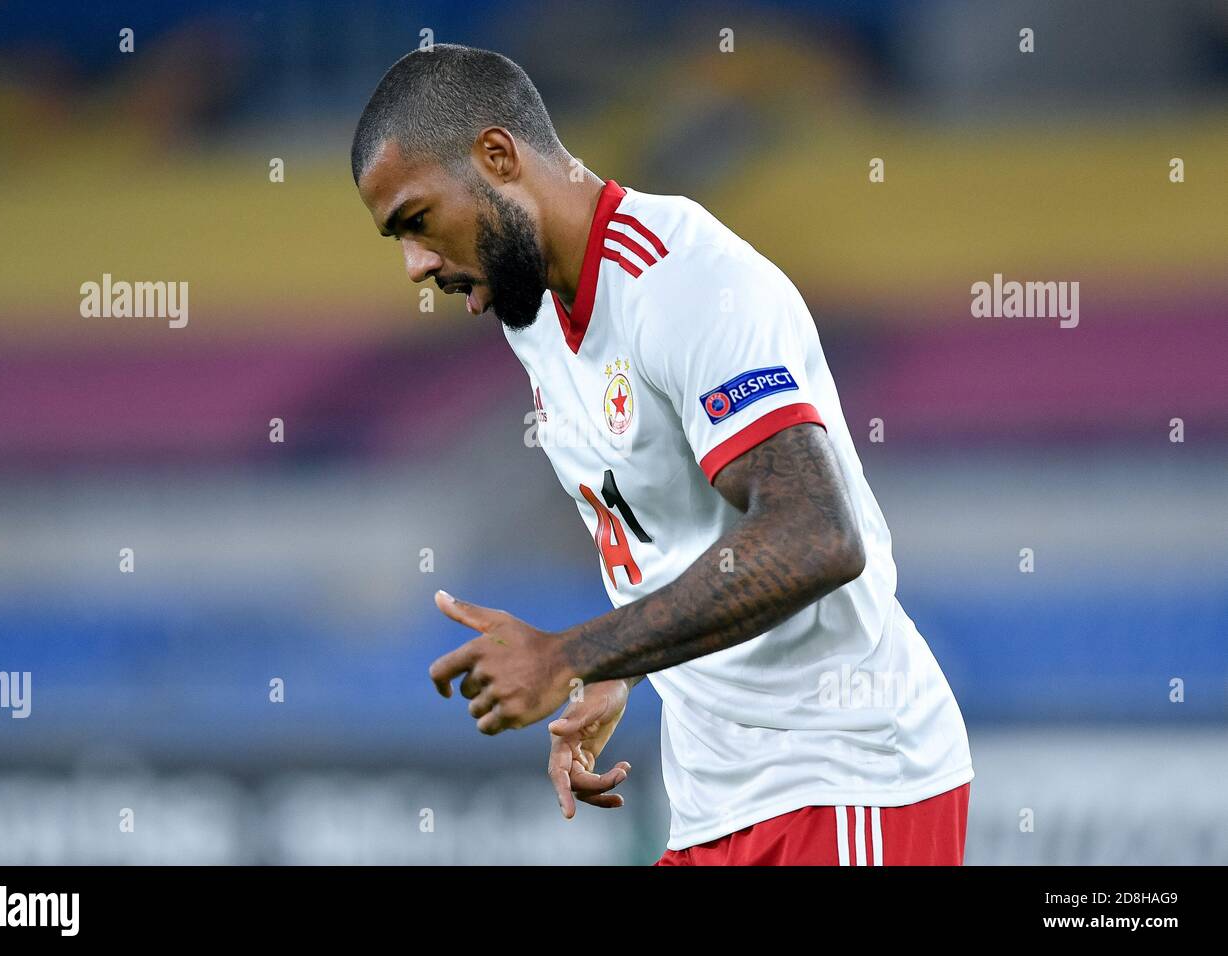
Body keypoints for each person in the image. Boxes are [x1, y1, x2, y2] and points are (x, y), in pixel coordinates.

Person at [351, 44, 973, 865]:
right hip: (715, 800)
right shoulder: (533, 318)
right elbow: (672, 535)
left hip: (846, 782)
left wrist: (572, 654)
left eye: (418, 221)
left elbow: (816, 535)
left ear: (497, 158)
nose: (415, 265)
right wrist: (622, 672)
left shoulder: (685, 282)